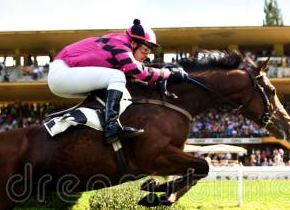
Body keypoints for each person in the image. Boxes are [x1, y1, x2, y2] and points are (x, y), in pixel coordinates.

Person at [48, 18, 187, 144]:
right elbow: (139, 72)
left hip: (63, 75)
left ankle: (100, 122)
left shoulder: (120, 43)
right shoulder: (120, 44)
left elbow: (135, 73)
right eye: (145, 49)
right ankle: (111, 128)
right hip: (62, 72)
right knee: (117, 77)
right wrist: (169, 73)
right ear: (133, 43)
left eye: (149, 51)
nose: (147, 55)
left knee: (116, 84)